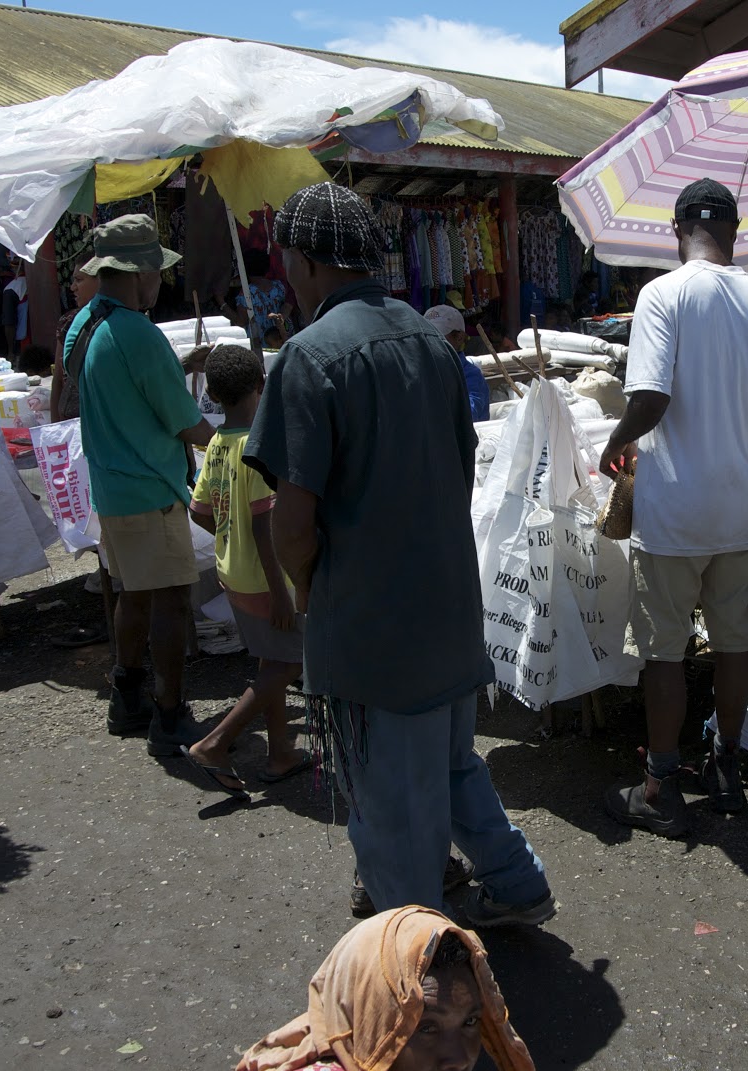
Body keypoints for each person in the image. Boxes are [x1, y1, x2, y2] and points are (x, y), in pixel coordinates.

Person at [246, 182, 554, 926]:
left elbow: (293, 522)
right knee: (450, 769)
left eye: (287, 256)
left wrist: (310, 589)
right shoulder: (432, 345)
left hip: (373, 627)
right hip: (447, 607)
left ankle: (412, 964)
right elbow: (456, 469)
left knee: (390, 804)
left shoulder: (308, 357)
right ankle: (517, 885)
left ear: (306, 260)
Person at [599, 177, 748, 837]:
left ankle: (662, 784)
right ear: (736, 233)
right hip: (740, 508)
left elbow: (651, 396)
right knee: (733, 644)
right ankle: (725, 771)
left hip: (673, 511)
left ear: (675, 231)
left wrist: (616, 439)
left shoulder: (661, 294)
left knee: (665, 652)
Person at [64, 214, 214, 754]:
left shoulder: (87, 322)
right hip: (150, 487)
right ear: (139, 272)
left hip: (112, 486)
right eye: (157, 272)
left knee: (136, 595)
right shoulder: (137, 331)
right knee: (174, 600)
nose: (160, 283)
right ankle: (169, 713)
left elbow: (124, 378)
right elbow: (186, 422)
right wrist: (237, 445)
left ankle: (126, 696)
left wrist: (178, 363)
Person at [181, 344, 310, 799]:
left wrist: (225, 526)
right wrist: (281, 593)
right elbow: (263, 526)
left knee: (269, 659)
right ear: (262, 386)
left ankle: (281, 753)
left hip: (232, 573)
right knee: (292, 659)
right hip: (265, 580)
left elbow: (198, 510)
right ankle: (215, 743)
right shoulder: (260, 447)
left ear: (212, 395)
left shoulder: (216, 443)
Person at [236, 906, 535, 1071]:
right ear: (373, 1019)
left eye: (470, 1022)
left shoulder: (349, 1029)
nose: (458, 1058)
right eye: (426, 1028)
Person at [51, 259, 100, 423]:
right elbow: (58, 379)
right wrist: (54, 427)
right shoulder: (68, 321)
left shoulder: (115, 323)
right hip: (72, 418)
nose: (72, 287)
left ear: (101, 280)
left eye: (79, 280)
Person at [424, 304, 490, 422]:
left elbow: (469, 414)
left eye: (436, 337)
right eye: (425, 336)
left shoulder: (471, 375)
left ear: (459, 338)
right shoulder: (423, 370)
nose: (428, 342)